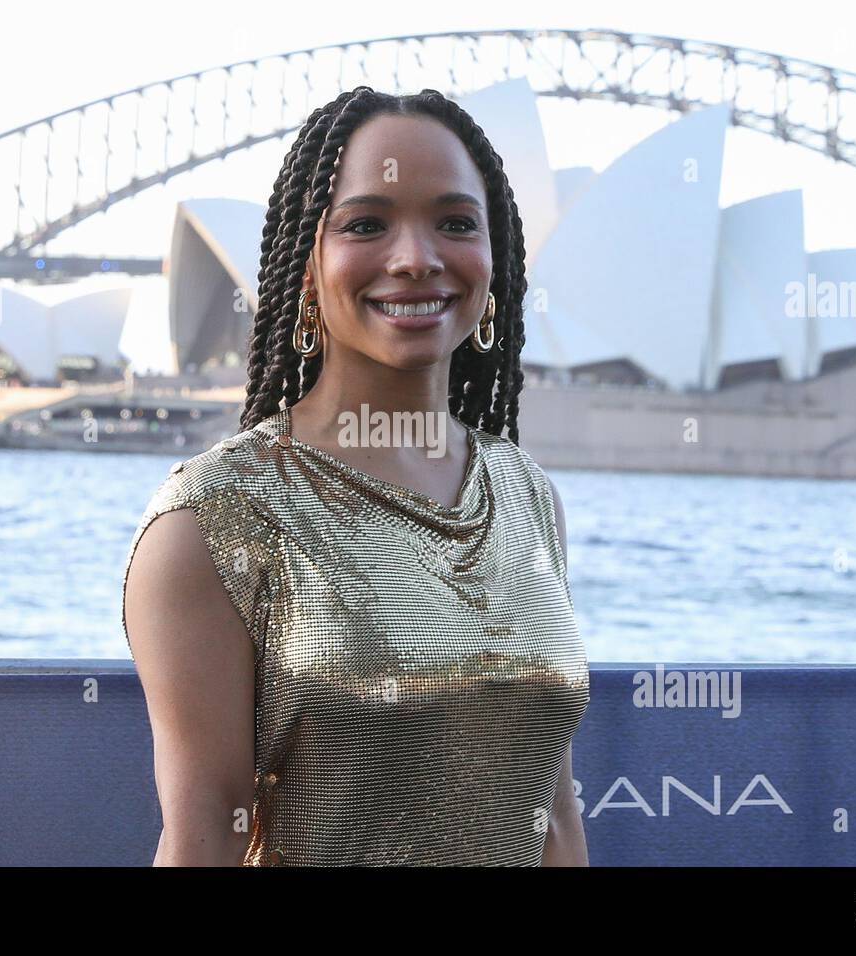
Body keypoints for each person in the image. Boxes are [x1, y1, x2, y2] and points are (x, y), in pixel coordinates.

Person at [122, 86, 590, 866]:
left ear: (497, 258)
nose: (416, 258)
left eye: (455, 222)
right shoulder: (214, 519)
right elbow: (204, 833)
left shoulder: (528, 496)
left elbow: (556, 817)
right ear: (306, 265)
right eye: (367, 224)